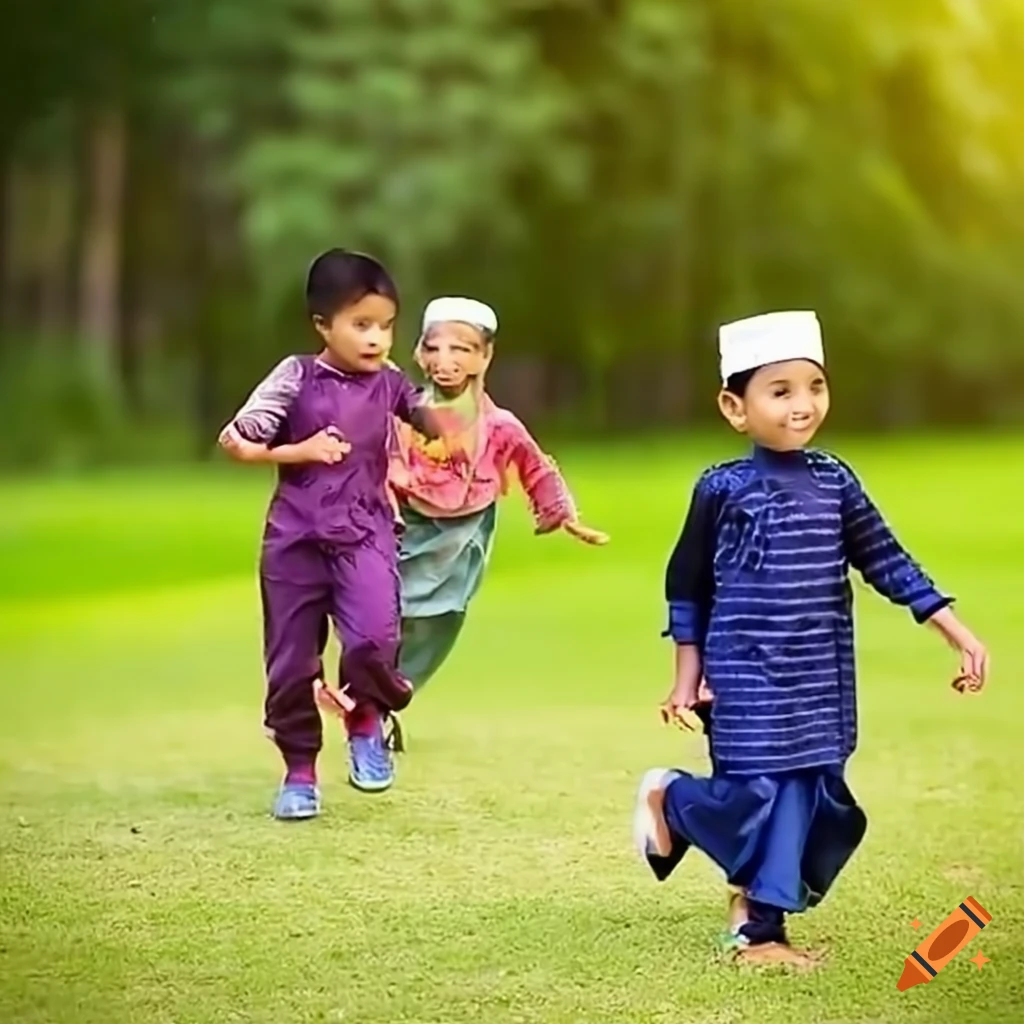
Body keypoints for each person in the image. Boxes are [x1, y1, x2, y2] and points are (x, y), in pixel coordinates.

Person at [633, 310, 989, 966]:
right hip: (743, 671)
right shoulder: (721, 489)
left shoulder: (836, 482)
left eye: (815, 386)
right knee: (758, 793)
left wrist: (955, 630)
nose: (803, 404)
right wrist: (687, 676)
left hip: (821, 676)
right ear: (735, 408)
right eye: (781, 391)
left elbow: (887, 560)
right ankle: (681, 809)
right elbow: (687, 585)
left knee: (815, 798)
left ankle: (753, 916)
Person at [315, 296, 608, 750]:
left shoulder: (499, 425)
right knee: (376, 613)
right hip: (399, 524)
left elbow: (533, 466)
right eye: (435, 348)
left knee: (438, 621)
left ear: (485, 356)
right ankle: (362, 694)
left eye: (462, 349)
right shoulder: (398, 411)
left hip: (460, 539)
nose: (446, 361)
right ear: (420, 353)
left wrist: (562, 513)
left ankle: (379, 701)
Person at [218, 249, 445, 816]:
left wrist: (457, 395)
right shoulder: (295, 377)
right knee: (292, 665)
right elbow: (236, 441)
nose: (376, 339)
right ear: (322, 324)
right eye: (361, 324)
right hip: (294, 543)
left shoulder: (391, 383)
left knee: (374, 638)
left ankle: (366, 715)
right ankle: (299, 774)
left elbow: (439, 422)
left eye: (386, 326)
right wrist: (302, 450)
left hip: (366, 533)